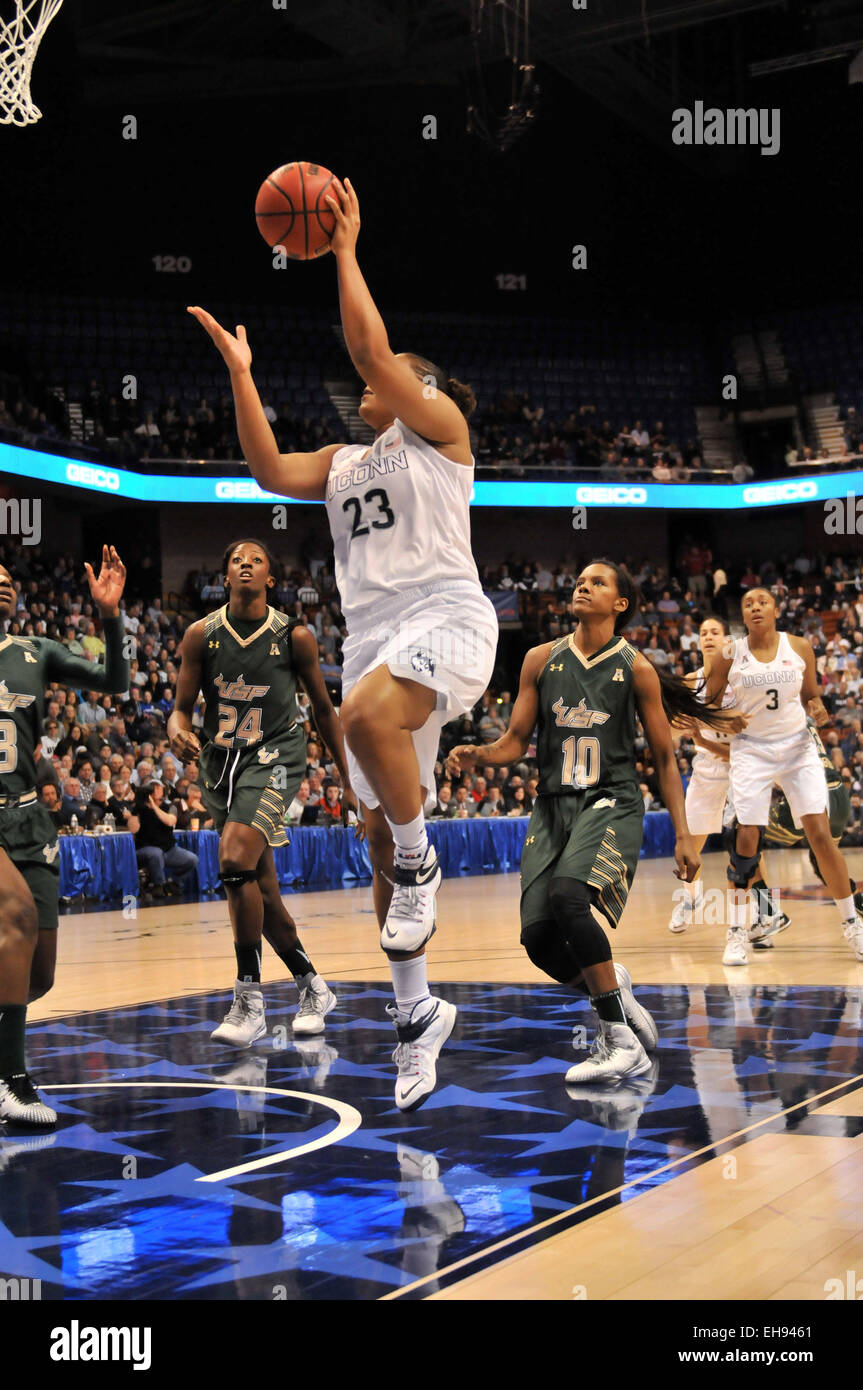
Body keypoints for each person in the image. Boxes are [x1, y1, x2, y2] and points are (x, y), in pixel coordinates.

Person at [188, 178, 498, 1110]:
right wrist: (243, 375)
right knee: (369, 838)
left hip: (445, 616)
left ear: (423, 388)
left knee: (369, 744)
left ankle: (423, 859)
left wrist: (344, 248)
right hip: (373, 639)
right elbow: (264, 467)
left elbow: (367, 345)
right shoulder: (339, 464)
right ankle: (415, 1020)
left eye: (394, 372)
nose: (371, 378)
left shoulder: (441, 432)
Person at [448, 560, 741, 1086]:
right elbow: (515, 742)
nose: (583, 586)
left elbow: (663, 757)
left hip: (610, 800)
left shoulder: (638, 669)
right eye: (580, 580)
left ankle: (619, 1040)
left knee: (569, 898)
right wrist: (479, 754)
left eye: (597, 582)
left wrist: (682, 834)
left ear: (620, 604)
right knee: (538, 941)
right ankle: (613, 985)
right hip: (552, 807)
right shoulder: (541, 659)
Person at [169, 539, 357, 1047]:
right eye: (236, 559)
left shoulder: (293, 636)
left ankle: (248, 1000)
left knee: (232, 861)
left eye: (256, 560)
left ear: (270, 579)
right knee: (259, 888)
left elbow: (322, 709)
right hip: (221, 763)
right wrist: (176, 728)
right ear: (224, 576)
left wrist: (348, 777)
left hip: (275, 756)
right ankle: (313, 987)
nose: (246, 564)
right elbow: (181, 708)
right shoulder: (200, 635)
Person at [0, 546, 129, 1125]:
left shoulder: (36, 650)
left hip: (30, 818)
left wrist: (109, 615)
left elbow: (116, 681)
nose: (4, 581)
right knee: (16, 919)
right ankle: (11, 1080)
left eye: (7, 575)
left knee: (39, 974)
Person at [703, 589, 863, 961]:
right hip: (752, 749)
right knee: (746, 838)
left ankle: (852, 924)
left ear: (776, 610)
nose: (755, 607)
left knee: (821, 835)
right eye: (748, 604)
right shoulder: (729, 655)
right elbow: (710, 708)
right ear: (742, 616)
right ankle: (739, 932)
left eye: (762, 602)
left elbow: (811, 696)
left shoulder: (801, 647)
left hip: (797, 748)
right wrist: (728, 718)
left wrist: (819, 709)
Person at [667, 616, 787, 963]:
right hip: (706, 764)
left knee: (744, 847)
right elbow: (675, 730)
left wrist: (706, 722)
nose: (707, 637)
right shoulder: (691, 682)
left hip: (740, 763)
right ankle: (691, 897)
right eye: (702, 632)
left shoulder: (741, 675)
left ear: (726, 640)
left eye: (714, 632)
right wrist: (681, 726)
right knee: (689, 842)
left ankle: (762, 916)